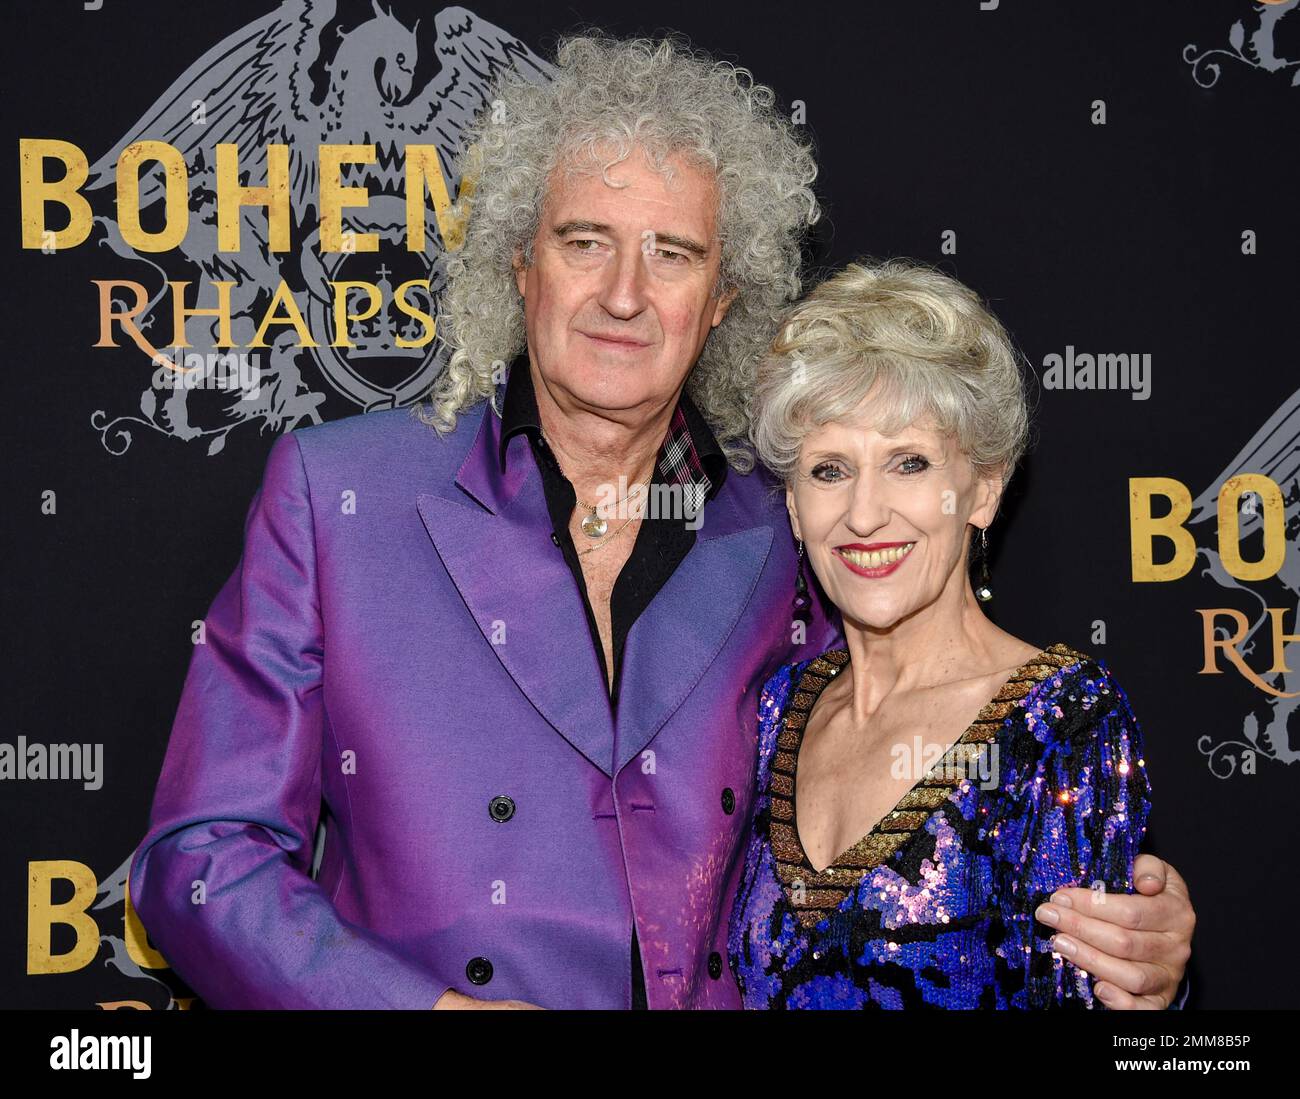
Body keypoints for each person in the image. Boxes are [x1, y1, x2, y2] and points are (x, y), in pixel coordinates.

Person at [128, 33, 1193, 1010]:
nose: (625, 295)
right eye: (585, 241)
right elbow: (202, 858)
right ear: (519, 261)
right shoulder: (343, 495)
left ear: (724, 296)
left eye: (673, 254)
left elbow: (911, 866)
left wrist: (1137, 948)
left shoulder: (797, 527)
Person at [729, 258, 1170, 1008]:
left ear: (984, 487)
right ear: (795, 508)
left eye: (908, 462)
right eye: (830, 470)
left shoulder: (1060, 723)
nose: (864, 514)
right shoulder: (776, 710)